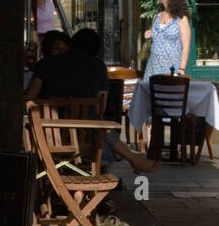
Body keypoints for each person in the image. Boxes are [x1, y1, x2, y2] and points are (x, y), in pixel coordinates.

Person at [26, 28, 154, 176]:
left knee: (100, 128)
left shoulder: (46, 64)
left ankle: (130, 160)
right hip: (84, 135)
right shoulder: (98, 67)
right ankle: (126, 162)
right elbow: (101, 108)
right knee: (100, 127)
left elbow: (30, 97)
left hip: (49, 133)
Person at [126, 0, 192, 138]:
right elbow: (155, 35)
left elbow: (186, 46)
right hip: (153, 68)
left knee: (170, 106)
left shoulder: (181, 19)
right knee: (151, 107)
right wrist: (149, 34)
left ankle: (171, 144)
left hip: (171, 69)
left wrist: (181, 69)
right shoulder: (156, 16)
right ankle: (151, 148)